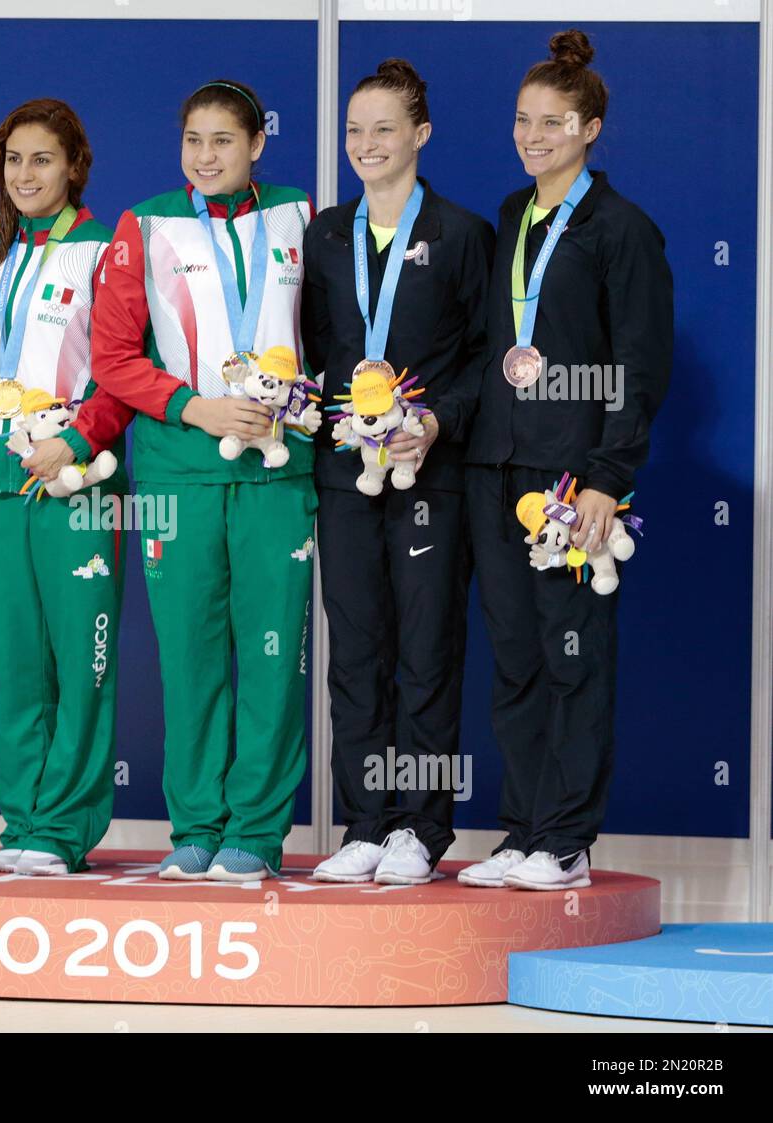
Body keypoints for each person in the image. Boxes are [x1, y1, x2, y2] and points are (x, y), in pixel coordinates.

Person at [459, 29, 673, 890]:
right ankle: (522, 831)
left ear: (590, 129)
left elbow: (640, 364)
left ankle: (567, 840)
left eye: (553, 122)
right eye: (522, 120)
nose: (532, 135)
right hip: (497, 471)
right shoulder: (513, 216)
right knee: (515, 657)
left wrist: (607, 479)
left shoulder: (622, 229)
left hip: (572, 479)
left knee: (573, 654)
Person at [92, 79, 316, 882]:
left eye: (224, 140)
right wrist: (197, 409)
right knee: (190, 657)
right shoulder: (144, 222)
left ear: (257, 145)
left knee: (270, 655)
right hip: (178, 472)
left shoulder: (300, 214)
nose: (206, 156)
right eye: (193, 139)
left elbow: (328, 333)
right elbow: (114, 359)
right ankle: (195, 824)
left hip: (278, 476)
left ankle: (254, 829)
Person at [302, 59, 494, 885]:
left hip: (430, 476)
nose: (367, 144)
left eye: (384, 128)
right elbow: (315, 350)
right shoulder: (325, 234)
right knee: (356, 653)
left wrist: (434, 419)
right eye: (354, 130)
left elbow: (489, 358)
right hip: (346, 473)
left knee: (427, 651)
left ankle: (422, 826)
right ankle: (366, 821)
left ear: (420, 134)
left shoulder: (462, 234)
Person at [0, 99, 134, 876]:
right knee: (12, 662)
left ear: (74, 165)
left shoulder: (105, 250)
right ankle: (22, 822)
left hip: (75, 479)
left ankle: (65, 826)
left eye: (42, 159)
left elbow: (119, 373)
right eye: (13, 161)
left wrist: (75, 441)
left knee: (81, 660)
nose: (26, 175)